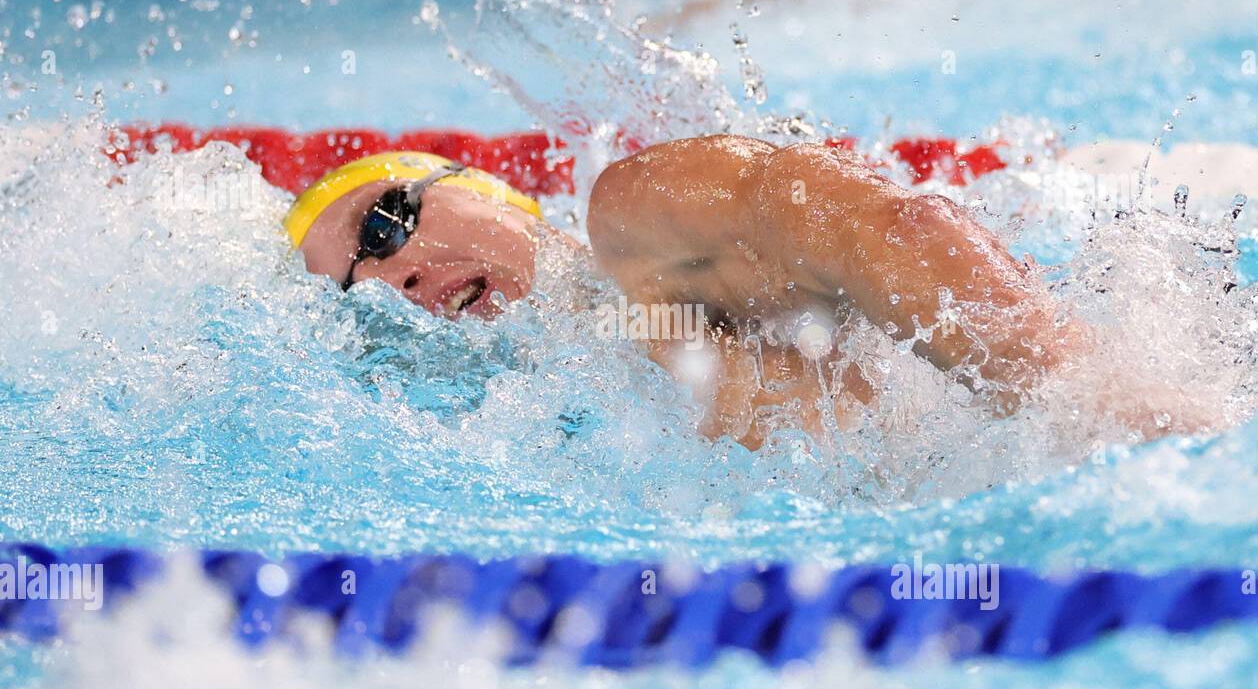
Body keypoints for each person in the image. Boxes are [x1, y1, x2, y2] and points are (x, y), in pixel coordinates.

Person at [284, 137, 1093, 449]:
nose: (400, 280)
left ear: (491, 188)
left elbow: (891, 231)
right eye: (369, 301)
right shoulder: (530, 435)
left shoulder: (634, 221)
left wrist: (1080, 388)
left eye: (386, 224)